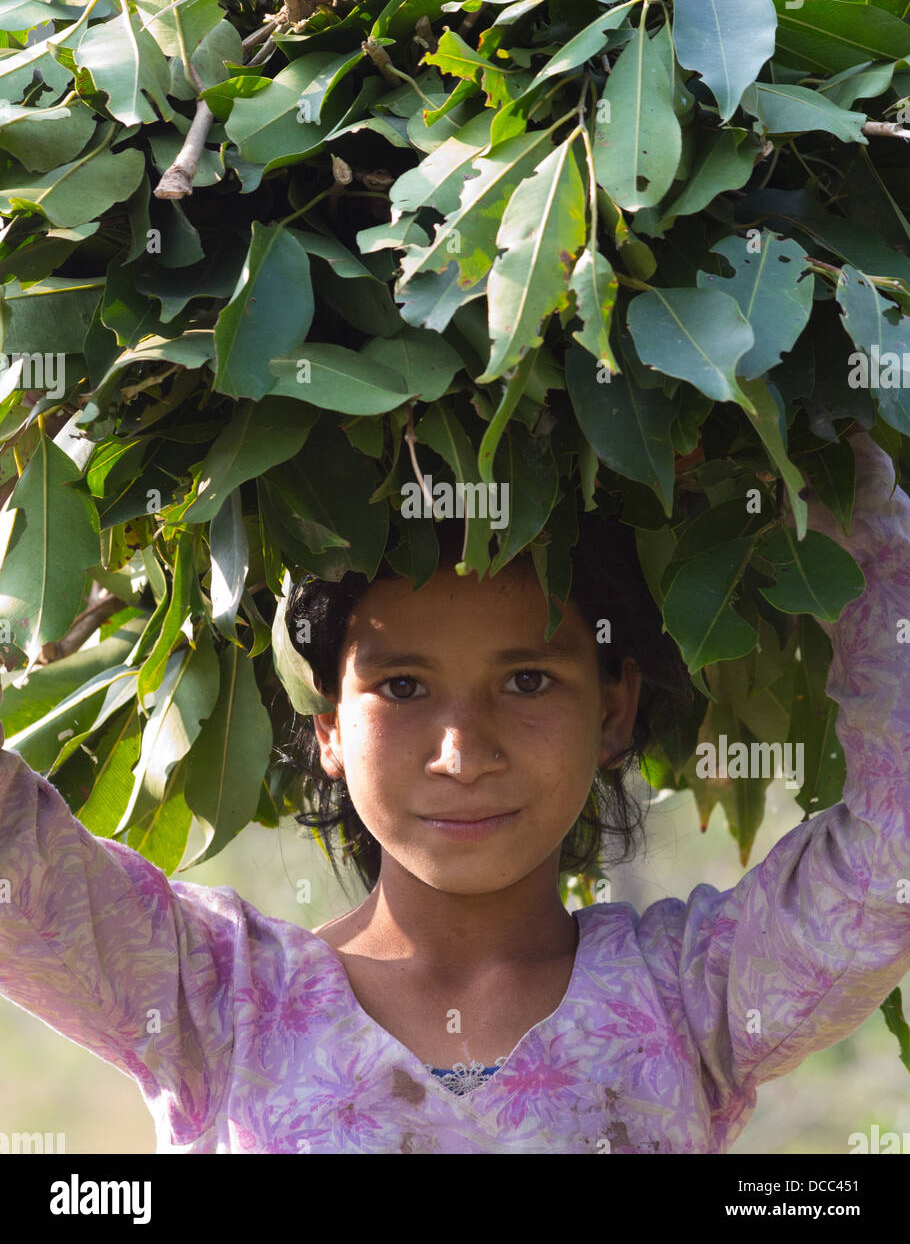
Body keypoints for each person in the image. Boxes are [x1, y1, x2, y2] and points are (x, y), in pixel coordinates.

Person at [0, 428, 907, 1153]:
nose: (464, 753)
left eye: (527, 683)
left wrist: (812, 455)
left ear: (614, 710)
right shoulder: (210, 998)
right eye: (401, 688)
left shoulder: (694, 996)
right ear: (327, 729)